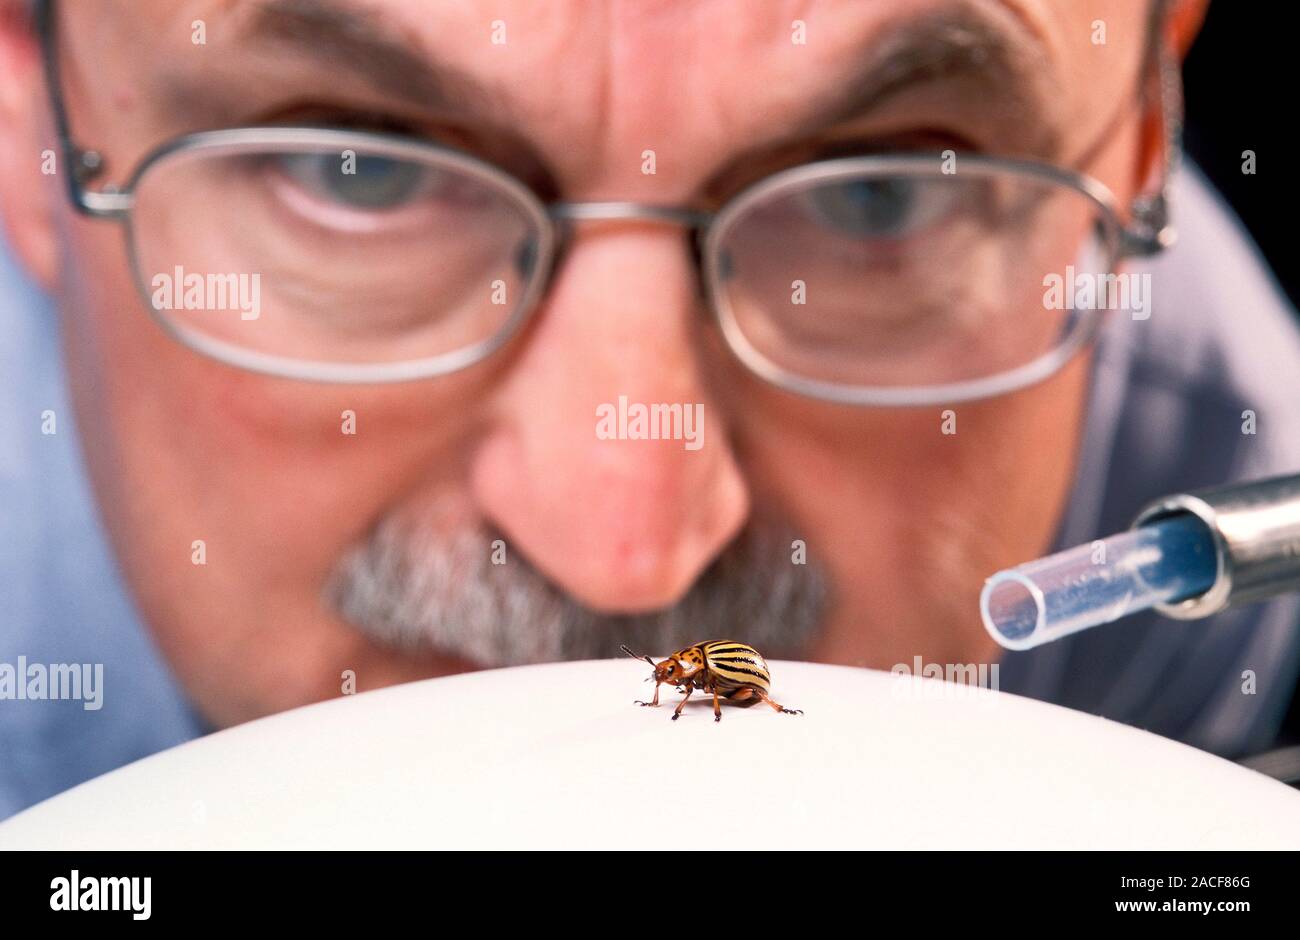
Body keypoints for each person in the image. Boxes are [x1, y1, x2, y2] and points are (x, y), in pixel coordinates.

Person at [2, 0, 1297, 821]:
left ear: (1141, 130)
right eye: (362, 169)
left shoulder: (1213, 511)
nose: (624, 554)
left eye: (878, 196)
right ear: (26, 117)